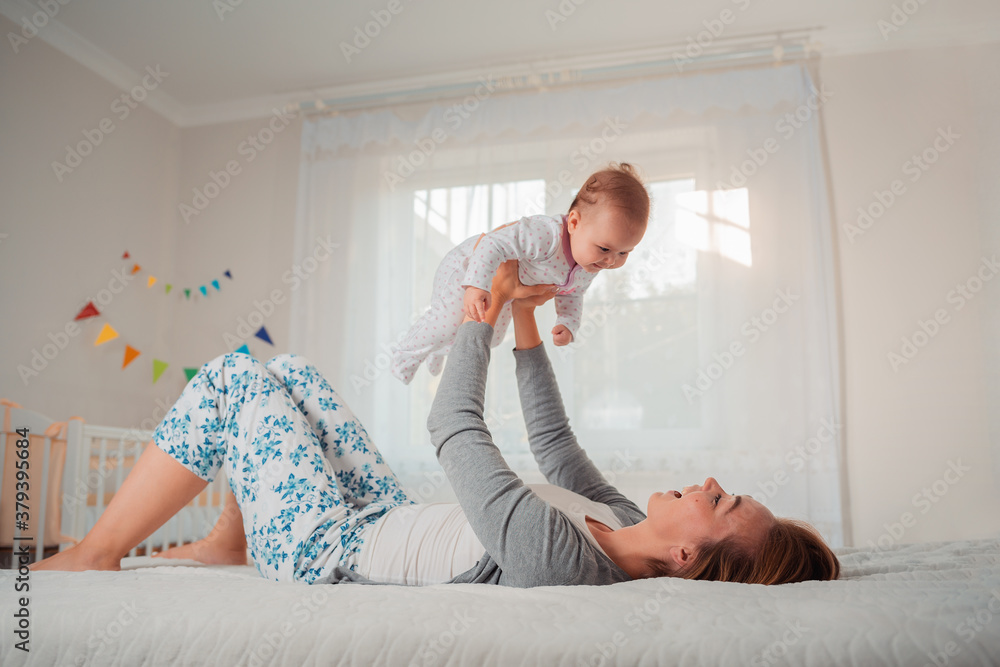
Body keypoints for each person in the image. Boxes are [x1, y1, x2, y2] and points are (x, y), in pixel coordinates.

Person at [31, 261, 840, 586]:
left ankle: (97, 553)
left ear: (687, 551)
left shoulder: (562, 560)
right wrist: (526, 314)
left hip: (329, 551)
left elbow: (456, 429)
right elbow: (554, 443)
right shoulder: (623, 522)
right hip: (377, 516)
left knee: (234, 379)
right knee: (296, 373)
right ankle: (228, 540)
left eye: (722, 499)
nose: (707, 481)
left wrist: (479, 312)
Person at [390, 162, 649, 384]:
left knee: (492, 338)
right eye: (605, 248)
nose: (611, 260)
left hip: (506, 289)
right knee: (447, 320)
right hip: (470, 266)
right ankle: (406, 353)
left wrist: (568, 323)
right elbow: (493, 243)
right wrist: (476, 285)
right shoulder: (546, 235)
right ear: (573, 222)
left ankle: (439, 350)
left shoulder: (589, 264)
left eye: (624, 253)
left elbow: (572, 295)